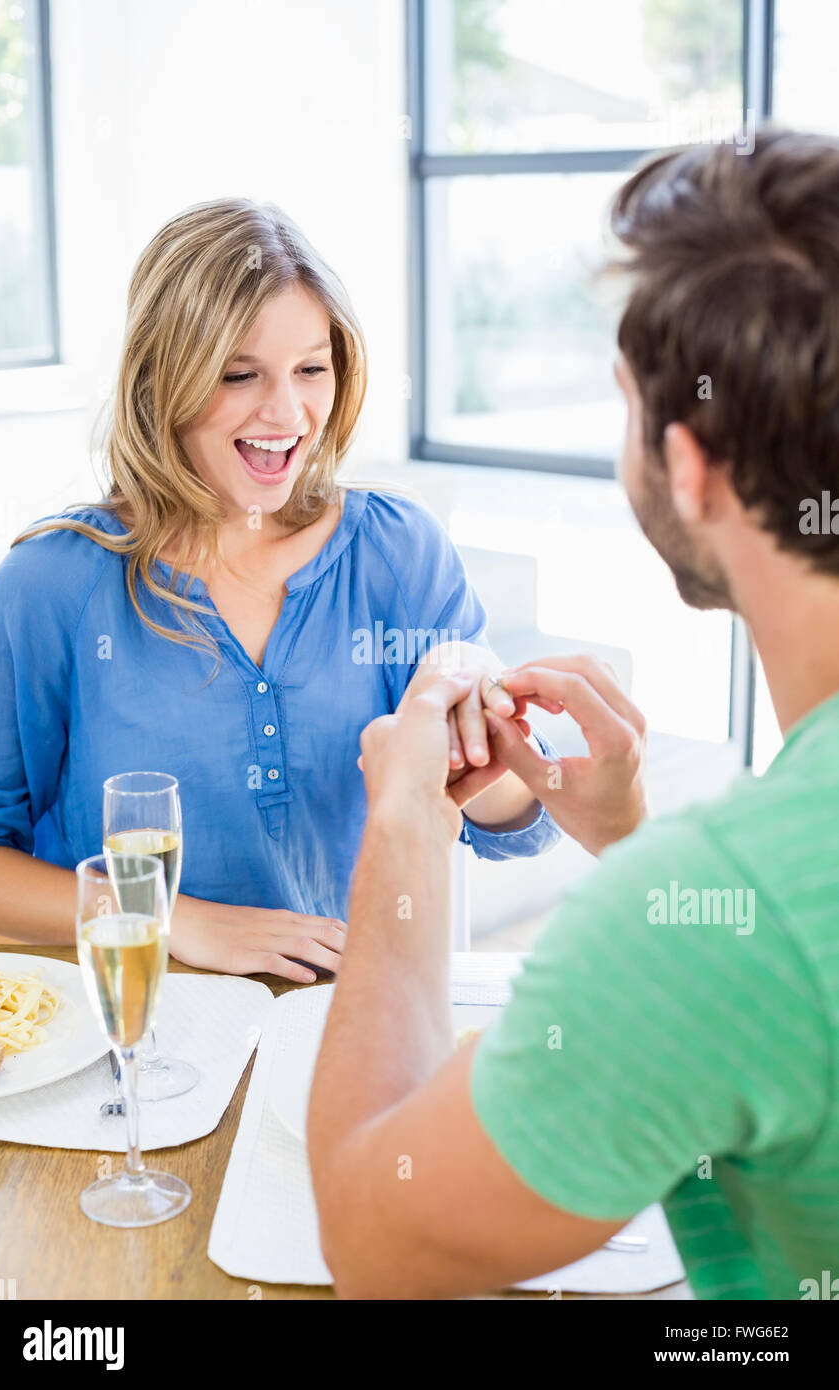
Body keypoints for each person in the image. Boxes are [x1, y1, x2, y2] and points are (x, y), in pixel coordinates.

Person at [307, 128, 839, 1300]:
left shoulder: (718, 921)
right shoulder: (736, 906)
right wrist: (638, 844)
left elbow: (371, 1228)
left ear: (687, 465)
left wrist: (402, 828)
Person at [0, 199, 559, 978]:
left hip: (354, 1023)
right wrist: (175, 919)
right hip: (148, 1030)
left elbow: (512, 826)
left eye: (311, 369)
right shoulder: (54, 584)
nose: (287, 413)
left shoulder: (398, 551)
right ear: (161, 382)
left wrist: (482, 752)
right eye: (239, 376)